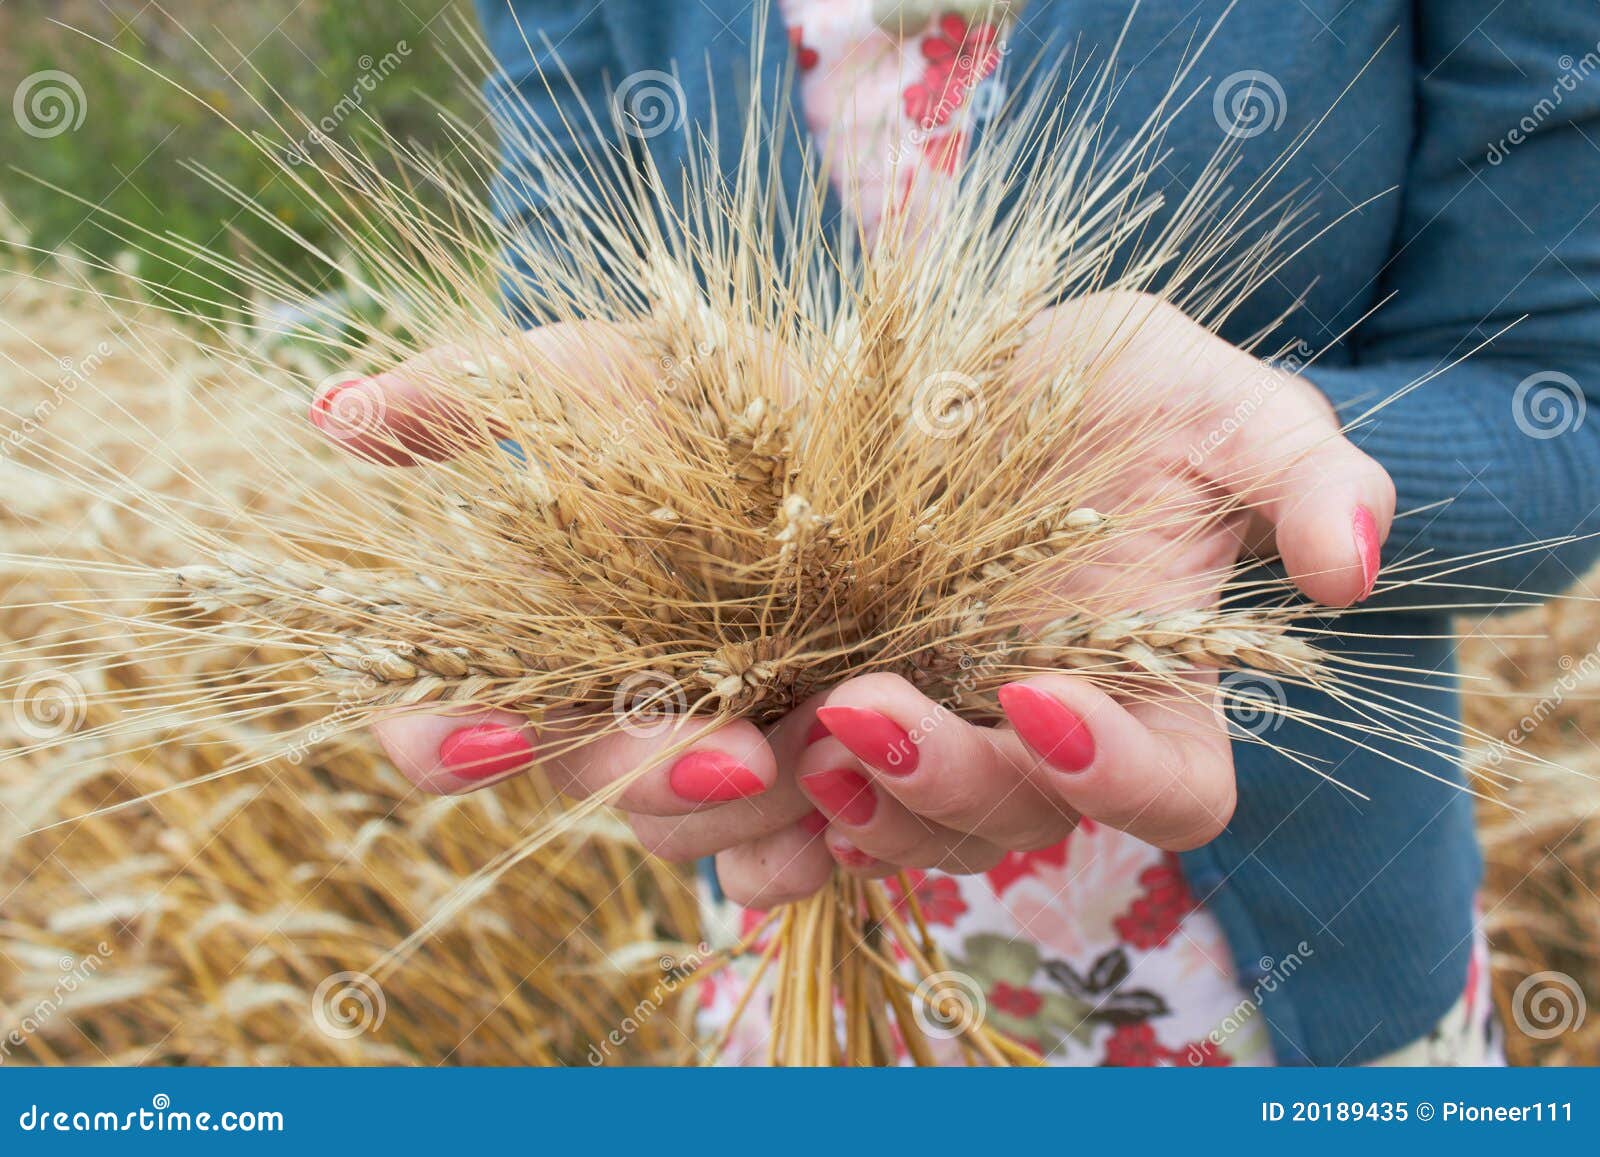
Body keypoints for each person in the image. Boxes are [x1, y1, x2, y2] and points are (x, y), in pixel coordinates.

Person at [307, 0, 1600, 1065]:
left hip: (1305, 983)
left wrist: (1246, 466)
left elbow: (1561, 408)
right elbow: (573, 359)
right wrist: (599, 506)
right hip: (794, 947)